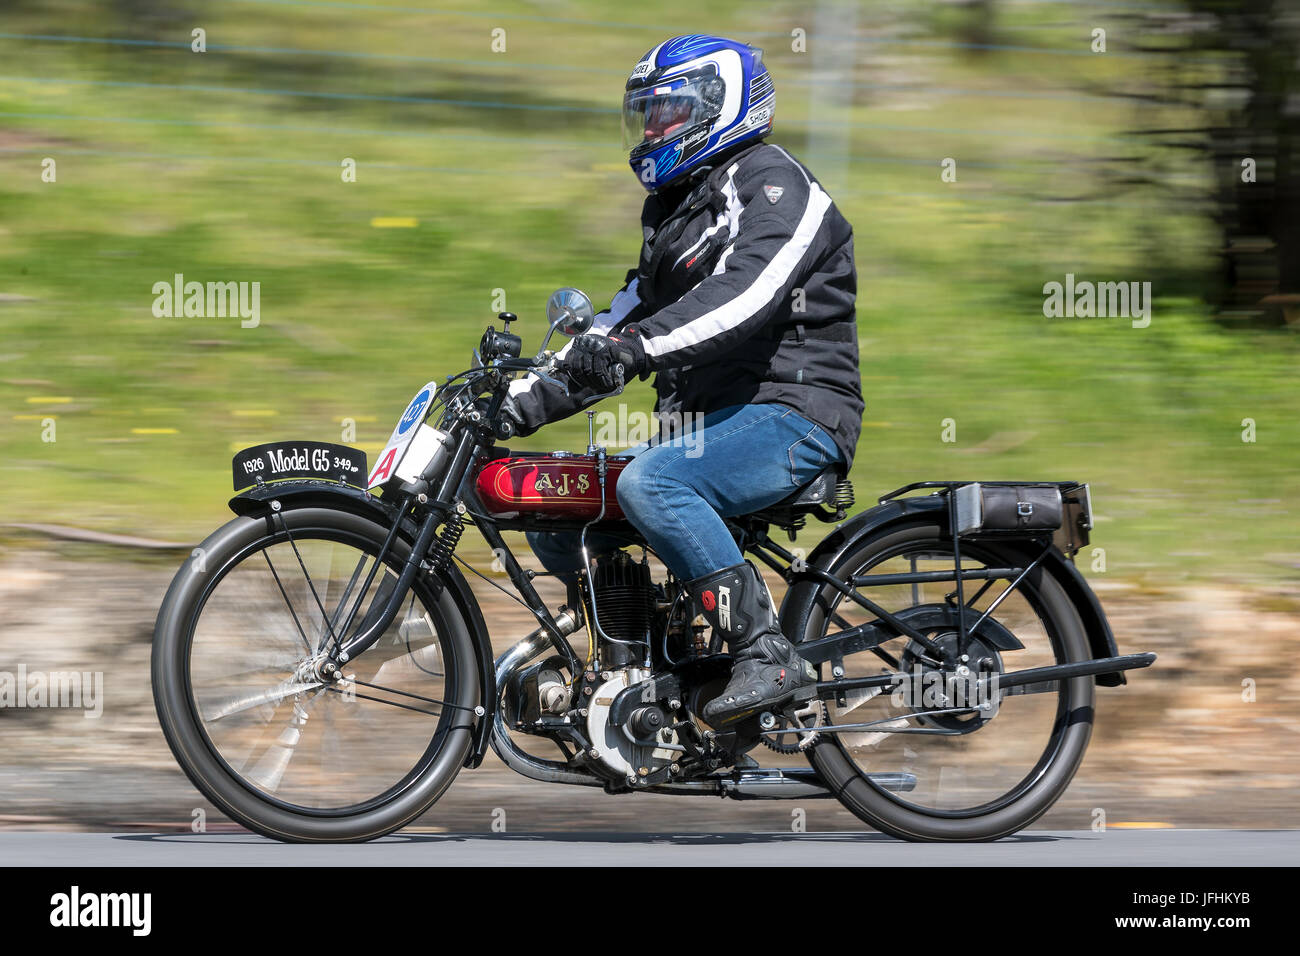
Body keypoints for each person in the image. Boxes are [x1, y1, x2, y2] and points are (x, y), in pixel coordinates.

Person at [501, 34, 863, 726]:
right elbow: (618, 321)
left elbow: (743, 296)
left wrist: (635, 350)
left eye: (668, 111)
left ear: (718, 108)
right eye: (647, 114)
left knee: (651, 484)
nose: (652, 129)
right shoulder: (675, 210)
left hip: (792, 411)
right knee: (559, 509)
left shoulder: (778, 187)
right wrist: (514, 403)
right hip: (706, 421)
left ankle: (766, 651)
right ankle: (652, 684)